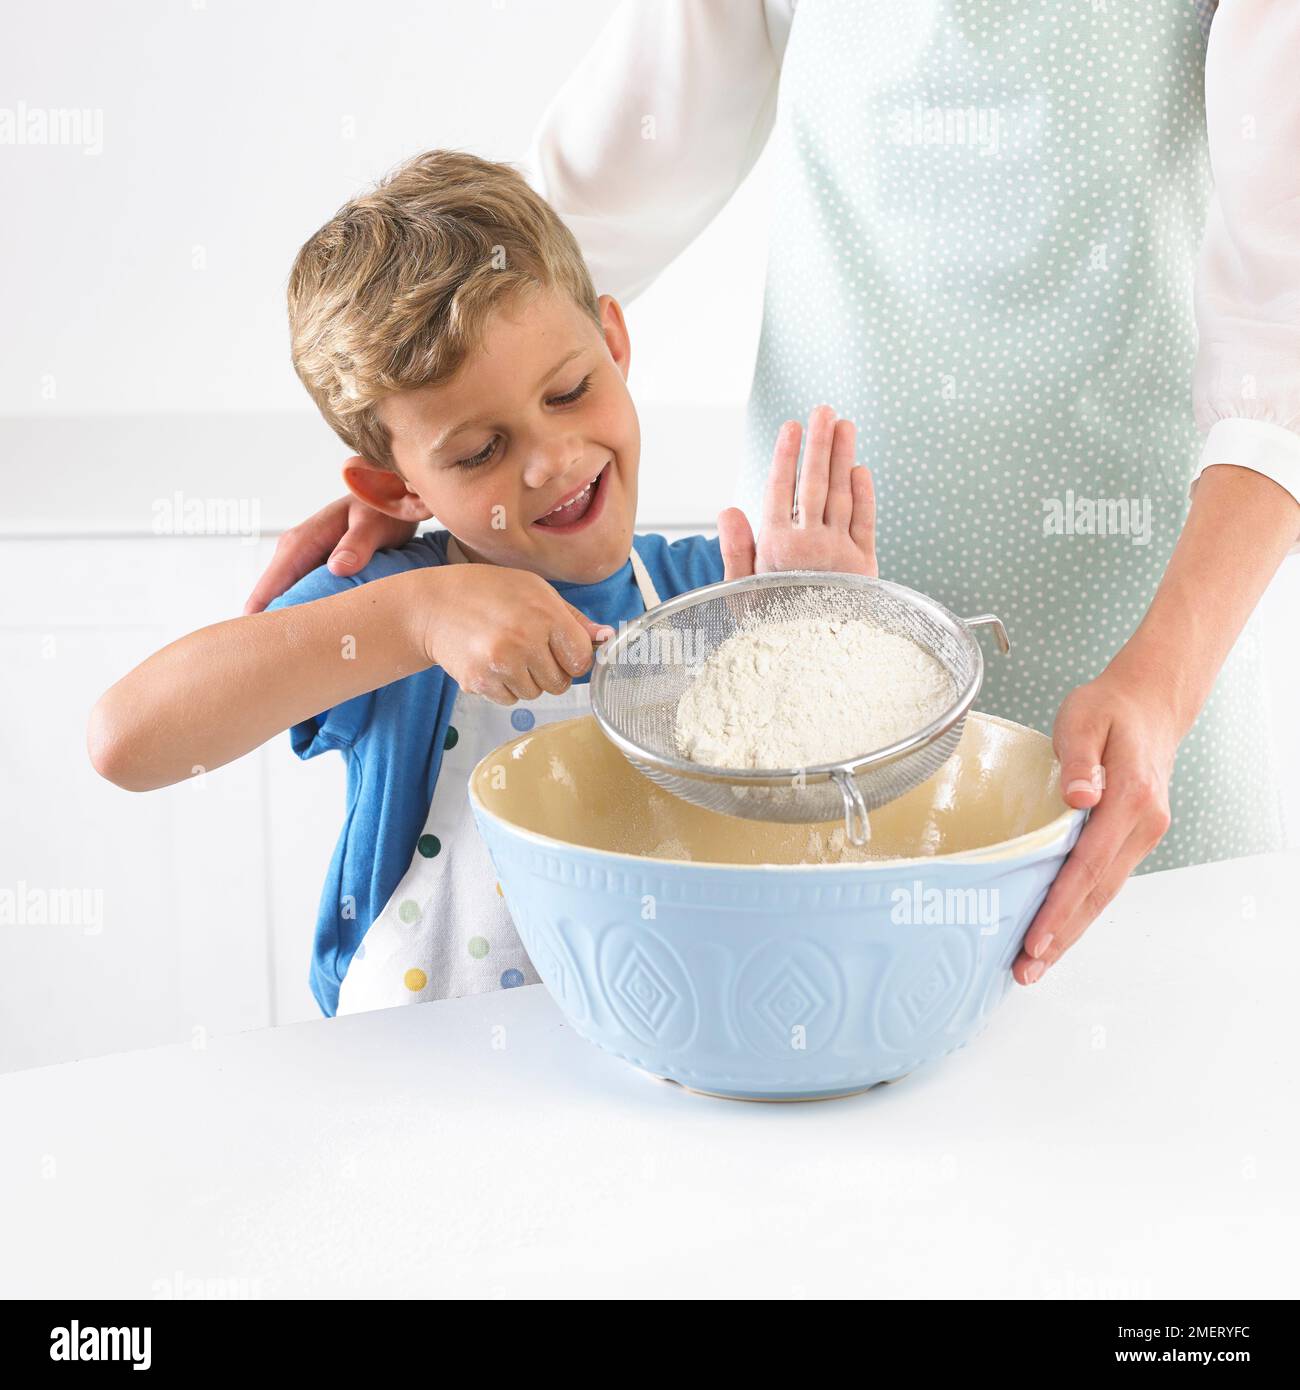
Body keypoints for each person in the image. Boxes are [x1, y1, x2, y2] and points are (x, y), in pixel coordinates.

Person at [249, 0, 1300, 989]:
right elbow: (570, 222)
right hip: (795, 619)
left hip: (1143, 621)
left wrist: (1161, 688)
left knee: (1141, 1089)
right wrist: (424, 451)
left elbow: (1281, 342)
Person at [86, 150, 877, 1018]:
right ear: (399, 490)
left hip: (667, 1074)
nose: (551, 461)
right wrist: (412, 618)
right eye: (478, 452)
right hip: (417, 1089)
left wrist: (827, 637)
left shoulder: (721, 595)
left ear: (614, 345)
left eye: (570, 391)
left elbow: (840, 847)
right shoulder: (394, 611)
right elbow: (127, 742)